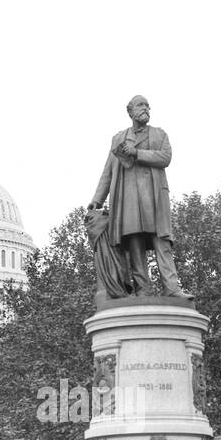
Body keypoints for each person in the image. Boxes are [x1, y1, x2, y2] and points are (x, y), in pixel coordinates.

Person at [88, 95, 192, 300]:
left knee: (162, 242)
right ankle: (143, 291)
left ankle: (172, 288)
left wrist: (137, 153)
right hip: (128, 201)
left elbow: (165, 157)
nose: (146, 108)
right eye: (141, 105)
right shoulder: (118, 139)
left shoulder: (159, 134)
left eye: (147, 106)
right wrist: (97, 199)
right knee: (135, 246)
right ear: (130, 111)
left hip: (154, 199)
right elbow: (108, 171)